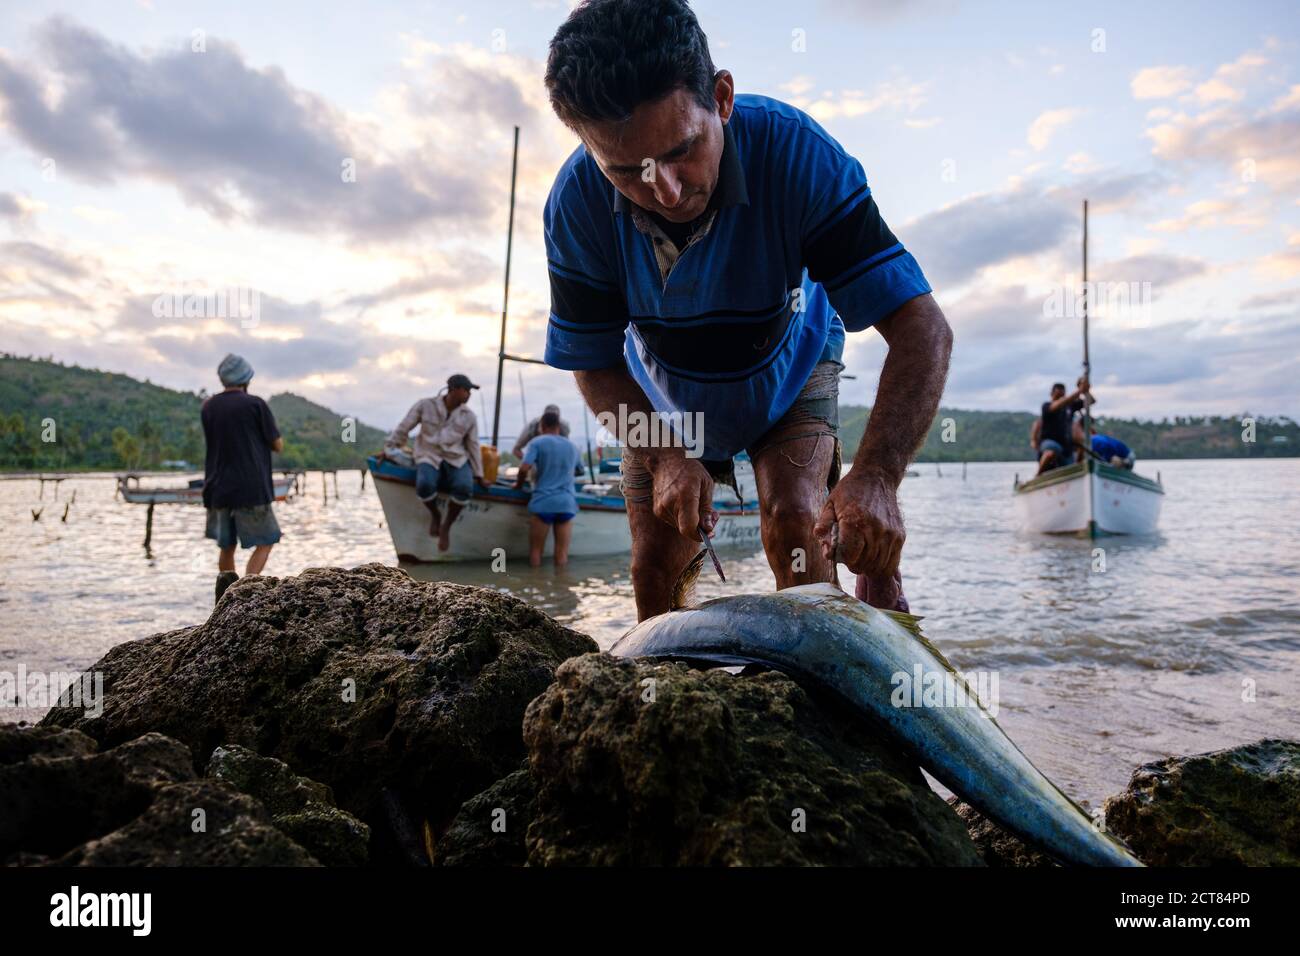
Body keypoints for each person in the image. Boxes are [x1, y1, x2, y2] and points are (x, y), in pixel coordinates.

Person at [542, 0, 951, 620]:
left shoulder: (800, 157)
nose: (667, 192)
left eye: (683, 150)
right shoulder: (576, 203)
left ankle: (830, 690)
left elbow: (923, 329)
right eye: (628, 172)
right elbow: (594, 362)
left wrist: (877, 476)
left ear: (723, 98)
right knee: (654, 561)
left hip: (790, 359)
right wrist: (665, 455)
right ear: (589, 149)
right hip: (662, 391)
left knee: (794, 522)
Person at [202, 353, 284, 602]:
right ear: (247, 378)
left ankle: (227, 596)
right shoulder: (256, 405)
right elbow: (276, 444)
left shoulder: (208, 407)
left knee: (226, 546)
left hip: (218, 487)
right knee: (268, 538)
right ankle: (247, 591)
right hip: (251, 487)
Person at [385, 373, 489, 552]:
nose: (469, 395)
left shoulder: (469, 416)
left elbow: (472, 445)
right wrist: (390, 448)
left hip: (456, 458)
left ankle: (446, 525)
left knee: (464, 488)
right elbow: (405, 426)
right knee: (425, 484)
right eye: (466, 390)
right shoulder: (425, 405)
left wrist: (479, 475)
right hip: (428, 454)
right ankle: (435, 514)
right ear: (454, 390)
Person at [514, 410, 583, 567]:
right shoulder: (573, 447)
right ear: (558, 426)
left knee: (536, 552)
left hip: (543, 502)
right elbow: (579, 470)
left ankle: (536, 586)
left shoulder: (537, 443)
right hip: (566, 504)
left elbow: (524, 468)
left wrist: (518, 485)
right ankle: (560, 588)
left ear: (541, 426)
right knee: (561, 555)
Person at [1036, 378, 1091, 475]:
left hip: (1067, 447)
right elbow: (1059, 404)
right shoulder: (1047, 406)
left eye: (1062, 395)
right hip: (1050, 441)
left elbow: (1090, 401)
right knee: (1051, 452)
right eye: (1058, 395)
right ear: (1052, 394)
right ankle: (1038, 476)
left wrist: (1086, 390)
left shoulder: (1070, 407)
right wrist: (1079, 391)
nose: (1060, 398)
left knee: (1074, 467)